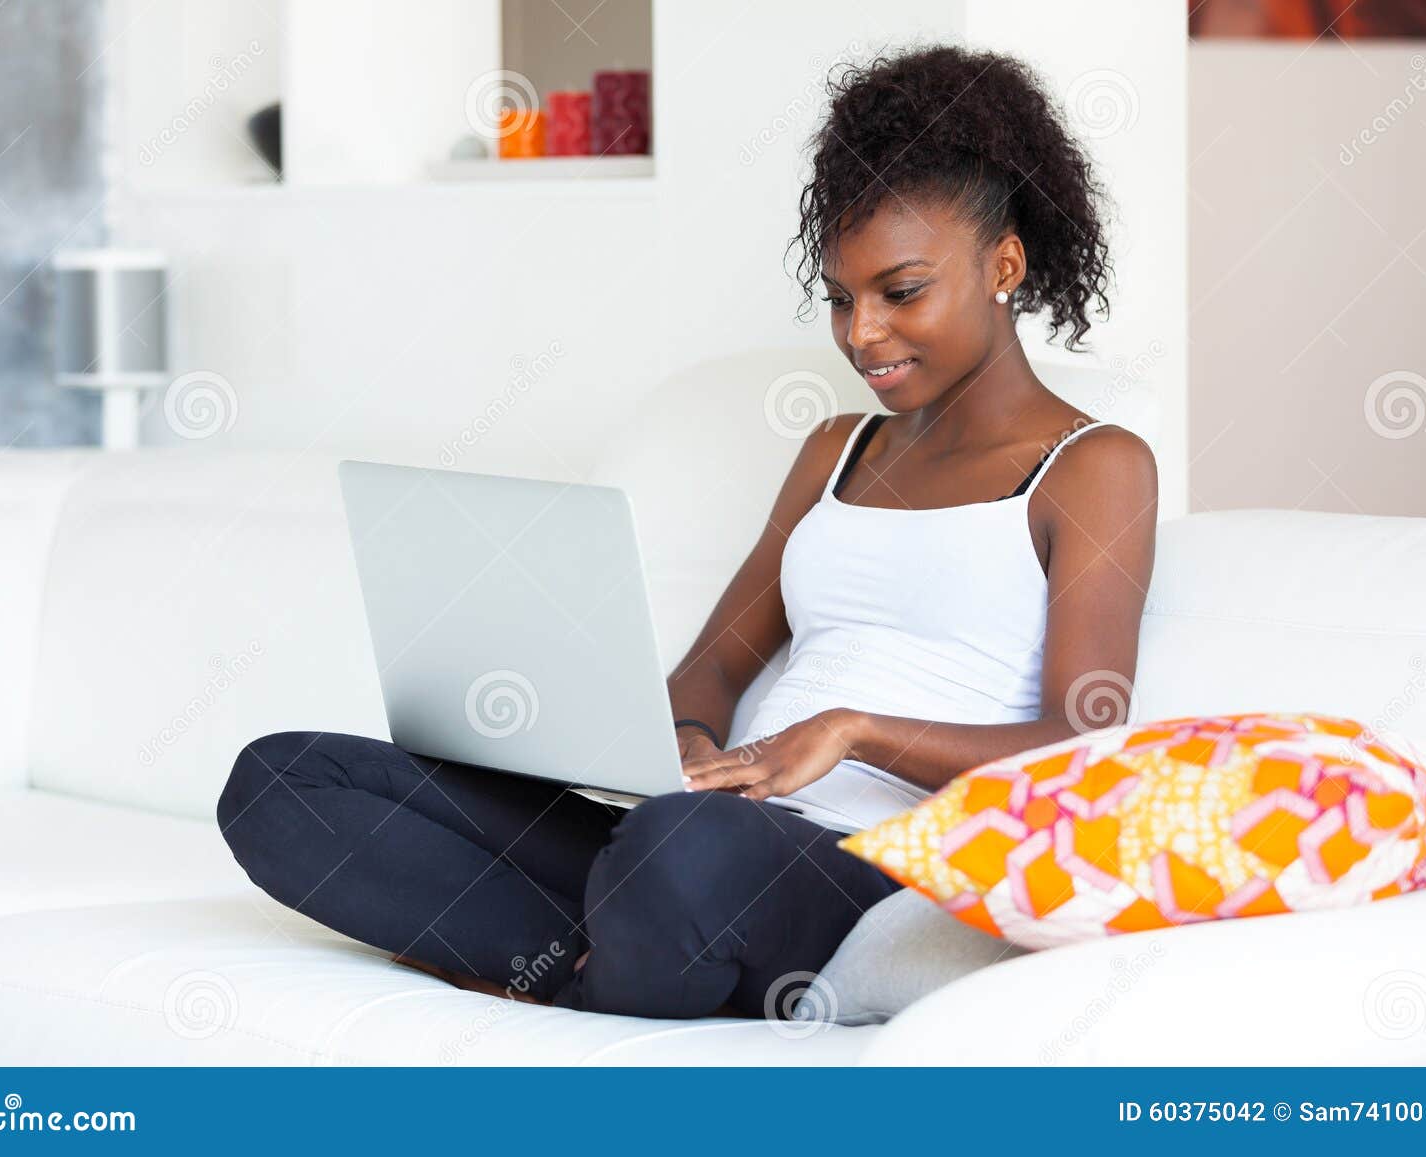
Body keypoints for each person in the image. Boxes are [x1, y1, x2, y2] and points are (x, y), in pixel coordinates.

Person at [216, 44, 1158, 1022]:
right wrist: (686, 747)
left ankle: (576, 956)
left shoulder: (1093, 464)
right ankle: (608, 958)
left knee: (682, 858)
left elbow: (1085, 742)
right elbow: (706, 672)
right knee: (286, 780)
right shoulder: (838, 447)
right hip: (702, 829)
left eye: (901, 291)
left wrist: (851, 732)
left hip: (862, 873)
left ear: (1004, 262)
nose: (861, 333)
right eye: (839, 298)